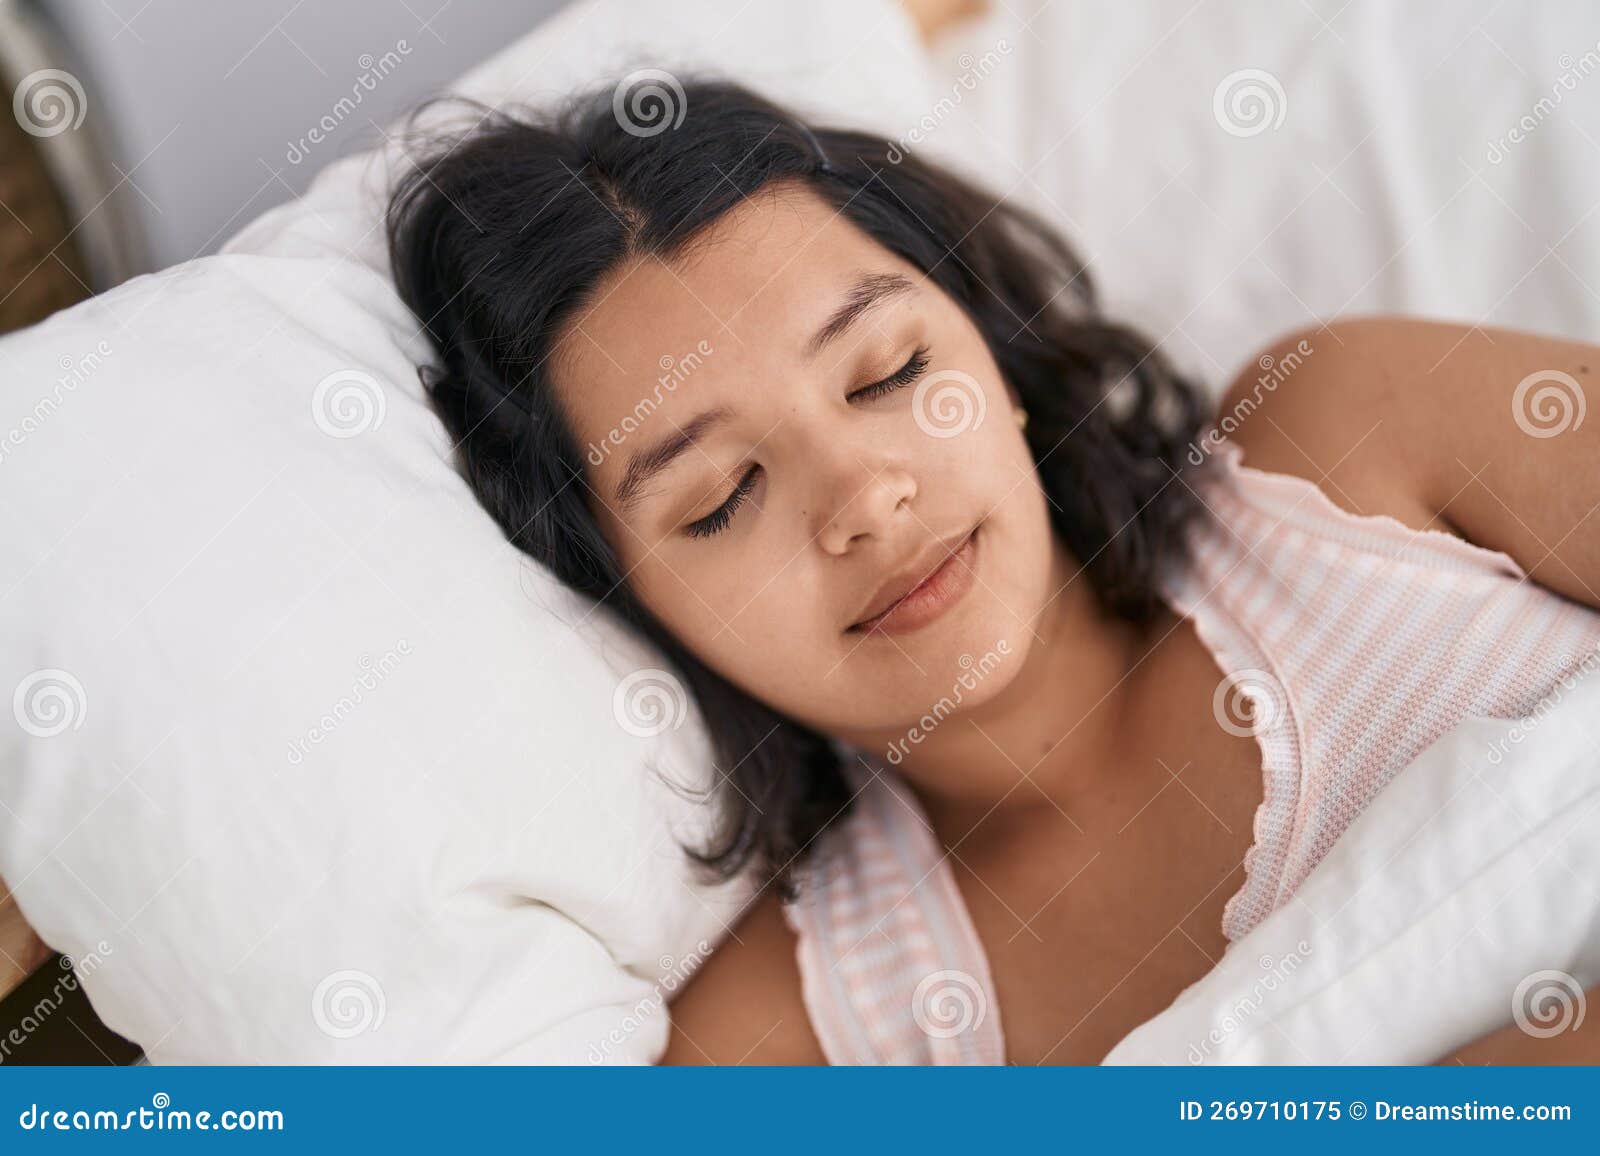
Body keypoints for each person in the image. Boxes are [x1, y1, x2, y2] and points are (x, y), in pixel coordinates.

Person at [385, 74, 1600, 1064]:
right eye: (723, 498)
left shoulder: (1351, 446)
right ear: (630, 603)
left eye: (887, 372)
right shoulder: (798, 1042)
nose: (865, 496)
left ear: (994, 352)